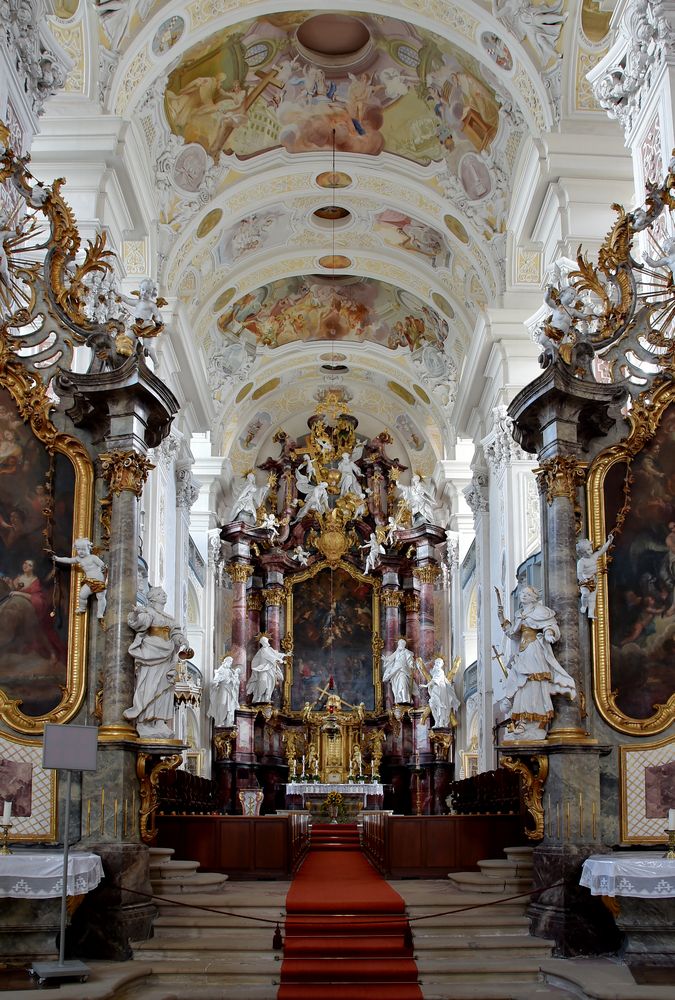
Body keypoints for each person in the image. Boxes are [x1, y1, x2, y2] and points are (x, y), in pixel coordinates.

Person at [497, 585, 576, 741]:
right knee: (521, 686)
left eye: (527, 594)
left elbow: (550, 626)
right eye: (522, 593)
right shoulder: (519, 614)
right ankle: (522, 721)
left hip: (535, 651)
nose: (523, 595)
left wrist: (549, 634)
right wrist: (501, 618)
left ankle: (534, 721)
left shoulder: (542, 611)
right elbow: (513, 634)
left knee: (534, 685)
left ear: (534, 597)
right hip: (523, 653)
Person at [124, 586, 189, 738]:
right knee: (149, 685)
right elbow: (138, 623)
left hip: (167, 654)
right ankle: (144, 721)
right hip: (151, 652)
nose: (164, 595)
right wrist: (136, 614)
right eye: (160, 594)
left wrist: (182, 640)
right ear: (152, 598)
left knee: (165, 688)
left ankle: (160, 721)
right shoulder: (148, 612)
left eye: (164, 593)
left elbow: (175, 633)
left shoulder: (169, 618)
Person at [52, 537, 107, 619]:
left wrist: (103, 568)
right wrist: (57, 559)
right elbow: (69, 560)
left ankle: (100, 613)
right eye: (78, 549)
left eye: (83, 549)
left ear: (89, 548)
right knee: (82, 595)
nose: (81, 552)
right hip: (89, 581)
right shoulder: (79, 559)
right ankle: (82, 608)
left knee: (100, 597)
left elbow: (102, 565)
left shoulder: (93, 558)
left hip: (99, 580)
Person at [576, 534, 613, 619]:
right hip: (586, 580)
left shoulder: (594, 556)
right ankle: (584, 605)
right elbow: (579, 573)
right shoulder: (581, 562)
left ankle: (591, 613)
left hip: (594, 580)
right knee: (585, 594)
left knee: (592, 598)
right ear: (581, 553)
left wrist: (609, 541)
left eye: (589, 549)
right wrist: (584, 580)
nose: (588, 552)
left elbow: (603, 549)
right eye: (585, 552)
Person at [419, 656, 459, 729]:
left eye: (439, 663)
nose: (437, 664)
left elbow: (434, 681)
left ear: (442, 665)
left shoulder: (441, 671)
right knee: (432, 705)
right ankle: (437, 721)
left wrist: (426, 685)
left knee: (441, 706)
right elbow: (433, 680)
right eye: (436, 662)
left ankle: (441, 722)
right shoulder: (435, 672)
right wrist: (428, 685)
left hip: (441, 689)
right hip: (435, 689)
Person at [246, 635, 286, 703]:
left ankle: (267, 697)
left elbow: (275, 654)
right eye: (264, 642)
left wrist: (285, 655)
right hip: (263, 668)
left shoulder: (270, 649)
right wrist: (279, 660)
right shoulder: (262, 650)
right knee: (263, 681)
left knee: (270, 683)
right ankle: (258, 697)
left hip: (270, 668)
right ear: (262, 643)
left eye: (266, 641)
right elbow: (269, 656)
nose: (266, 643)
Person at [209, 655, 241, 728]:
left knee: (230, 706)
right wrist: (223, 679)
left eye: (231, 662)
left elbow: (235, 682)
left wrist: (234, 680)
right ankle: (219, 721)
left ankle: (228, 722)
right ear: (226, 662)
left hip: (230, 691)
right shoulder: (221, 669)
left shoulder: (230, 671)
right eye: (229, 662)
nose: (230, 664)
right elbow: (215, 681)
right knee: (222, 703)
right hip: (223, 689)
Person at [382, 637, 415, 703]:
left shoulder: (406, 652)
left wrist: (411, 665)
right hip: (395, 670)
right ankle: (399, 699)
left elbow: (409, 660)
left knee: (403, 683)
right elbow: (391, 658)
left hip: (403, 670)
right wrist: (386, 660)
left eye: (402, 643)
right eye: (400, 643)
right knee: (396, 685)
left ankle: (405, 699)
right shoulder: (396, 652)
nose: (401, 645)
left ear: (404, 645)